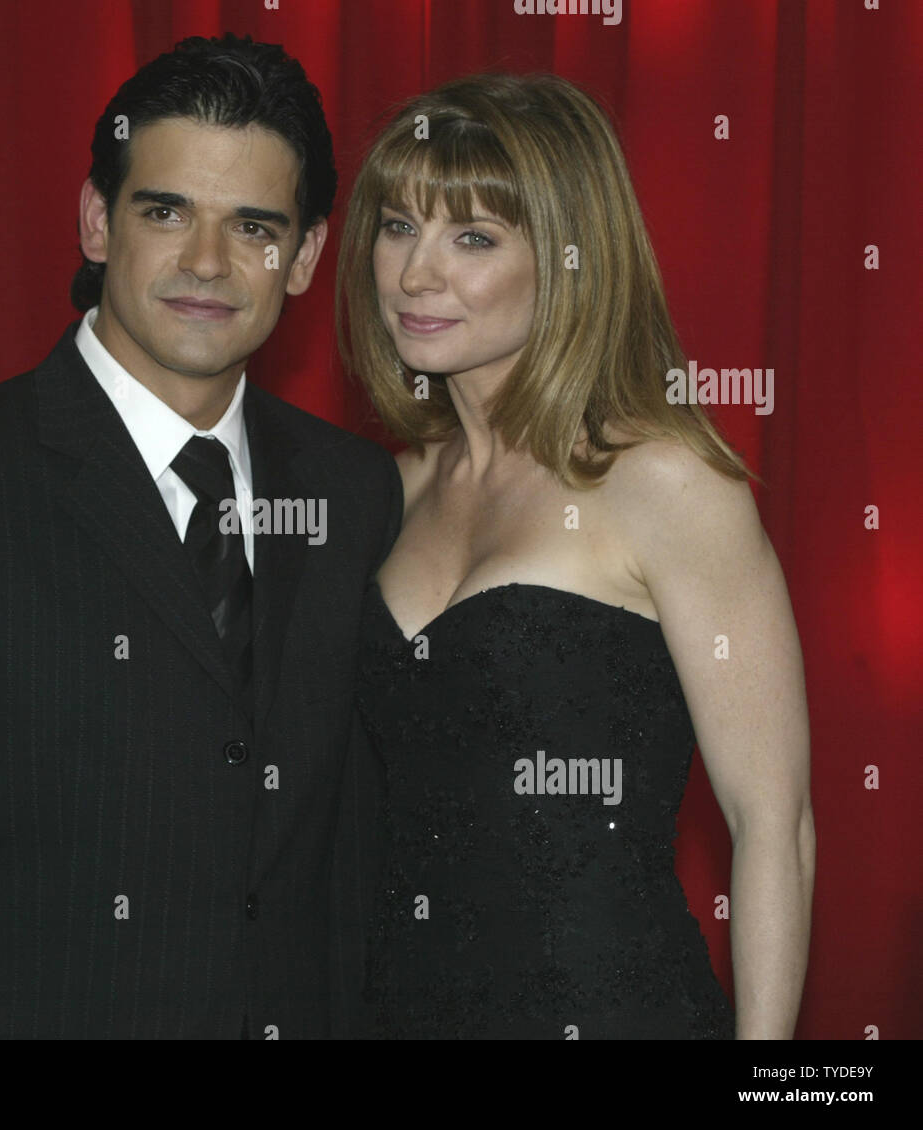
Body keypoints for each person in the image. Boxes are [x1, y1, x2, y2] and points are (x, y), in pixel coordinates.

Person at [0, 33, 401, 1040]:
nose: (207, 262)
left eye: (252, 225)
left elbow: (352, 863)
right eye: (166, 212)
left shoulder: (355, 492)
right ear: (95, 221)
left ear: (306, 256)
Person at [336, 72, 814, 1039]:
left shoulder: (665, 480)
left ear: (568, 259)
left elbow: (775, 827)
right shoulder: (385, 490)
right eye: (397, 226)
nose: (416, 275)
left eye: (473, 237)